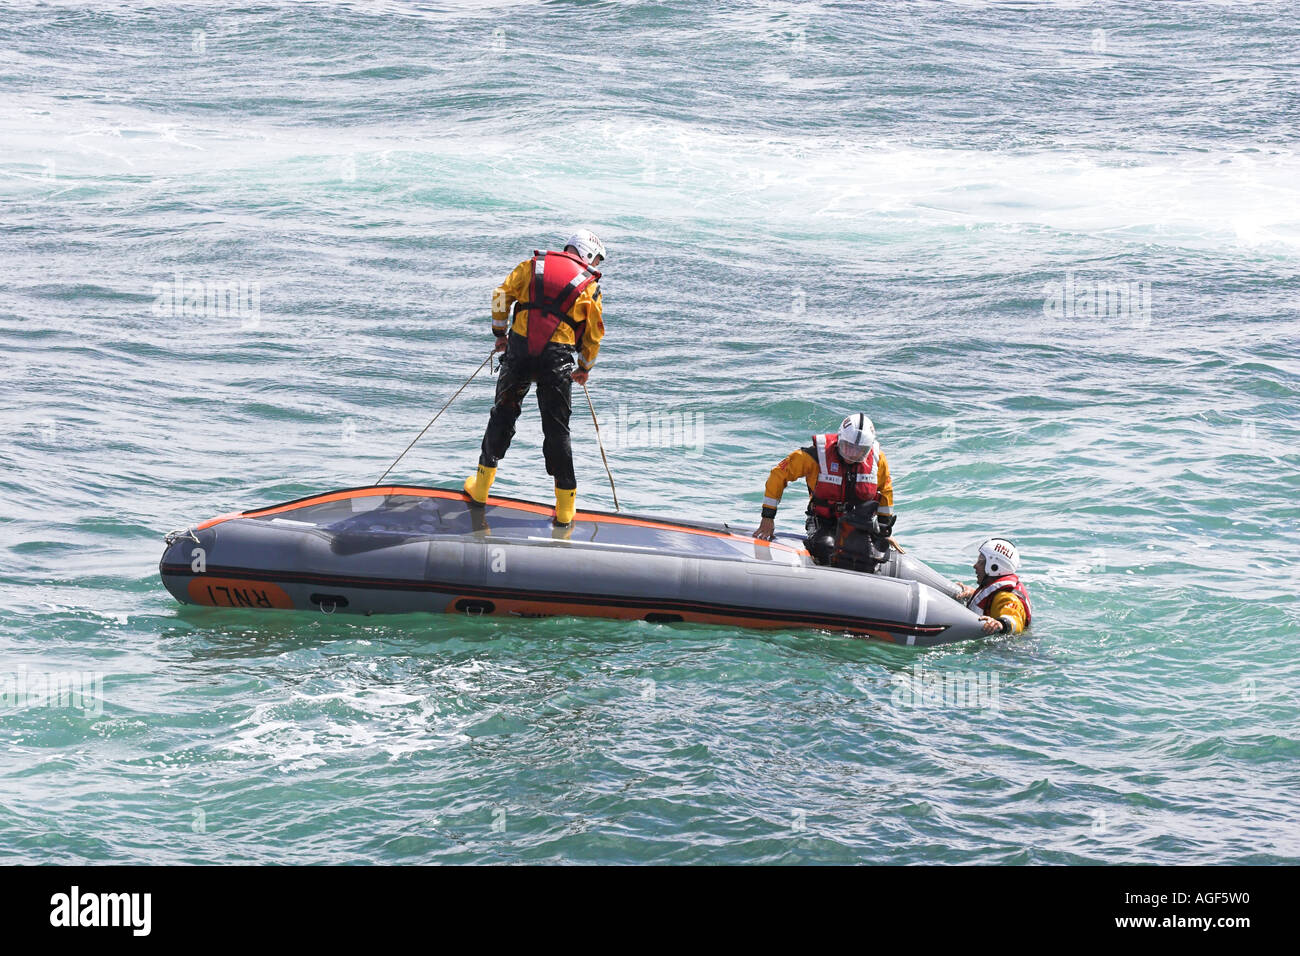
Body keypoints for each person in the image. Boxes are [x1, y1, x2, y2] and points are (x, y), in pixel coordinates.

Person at [463, 228, 606, 526]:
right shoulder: (590, 286)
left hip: (519, 352)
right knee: (557, 430)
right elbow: (594, 334)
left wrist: (499, 333)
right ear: (588, 255)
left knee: (503, 414)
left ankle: (481, 490)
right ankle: (565, 509)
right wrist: (584, 369)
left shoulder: (532, 265)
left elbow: (501, 296)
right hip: (557, 360)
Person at [752, 413, 896, 564]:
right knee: (826, 548)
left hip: (859, 523)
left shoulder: (877, 461)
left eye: (859, 451)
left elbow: (886, 491)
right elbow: (778, 475)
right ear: (840, 440)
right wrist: (768, 517)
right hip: (823, 521)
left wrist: (883, 530)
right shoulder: (815, 456)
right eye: (848, 448)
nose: (852, 455)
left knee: (869, 558)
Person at [955, 538, 1033, 635]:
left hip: (1009, 649)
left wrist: (1000, 624)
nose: (975, 566)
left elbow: (1014, 618)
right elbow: (989, 602)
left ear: (994, 567)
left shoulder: (1007, 597)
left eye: (980, 562)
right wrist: (972, 593)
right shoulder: (996, 593)